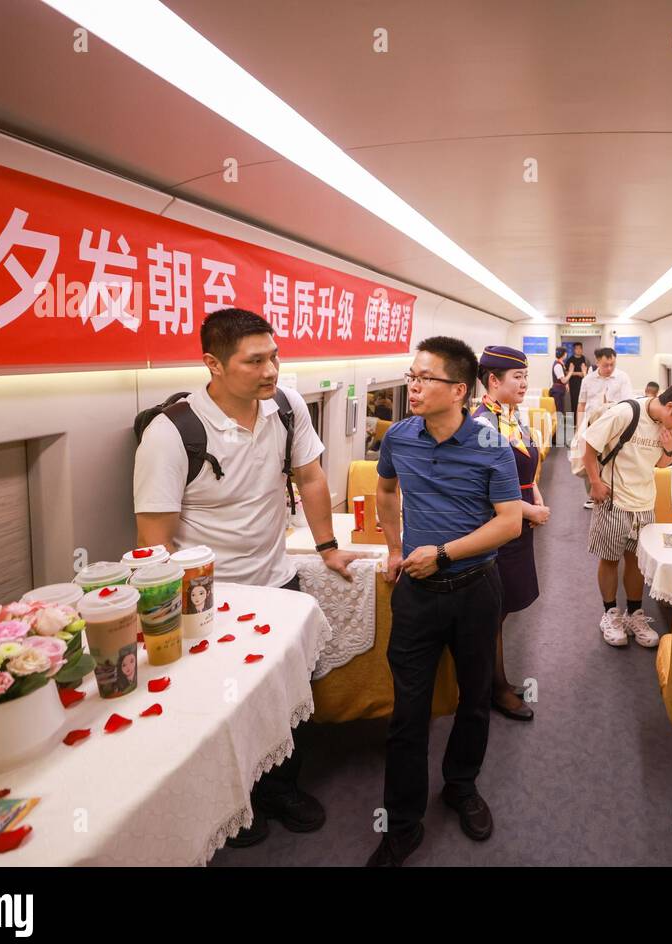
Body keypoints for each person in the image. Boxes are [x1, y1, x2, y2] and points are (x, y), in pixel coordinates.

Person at [133, 307, 354, 849]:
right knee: (219, 708)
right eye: (255, 361)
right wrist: (161, 618)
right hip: (208, 597)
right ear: (213, 363)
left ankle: (281, 788)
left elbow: (310, 475)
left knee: (289, 691)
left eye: (274, 355)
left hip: (278, 582)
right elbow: (153, 536)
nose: (271, 370)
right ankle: (233, 805)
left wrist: (326, 546)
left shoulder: (285, 405)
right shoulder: (171, 433)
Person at [367, 336, 524, 866]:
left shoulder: (490, 444)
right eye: (411, 375)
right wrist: (395, 547)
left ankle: (460, 786)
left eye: (425, 378)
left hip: (476, 590)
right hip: (416, 594)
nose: (412, 385)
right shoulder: (399, 437)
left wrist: (445, 553)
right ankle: (403, 824)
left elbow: (509, 520)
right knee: (407, 714)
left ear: (458, 389)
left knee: (474, 698)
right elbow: (384, 492)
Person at [582, 382, 672, 647]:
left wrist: (669, 448)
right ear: (670, 406)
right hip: (614, 500)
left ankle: (634, 614)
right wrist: (595, 482)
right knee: (609, 559)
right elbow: (590, 446)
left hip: (645, 503)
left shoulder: (667, 427)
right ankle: (610, 613)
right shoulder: (626, 413)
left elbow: (660, 465)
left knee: (636, 561)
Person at [473, 346, 549, 721]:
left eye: (525, 377)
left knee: (501, 609)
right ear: (493, 380)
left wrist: (534, 493)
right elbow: (484, 488)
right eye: (516, 377)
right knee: (493, 611)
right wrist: (529, 510)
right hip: (498, 526)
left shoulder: (510, 418)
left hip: (517, 520)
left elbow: (522, 465)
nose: (524, 384)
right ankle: (495, 689)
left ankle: (492, 681)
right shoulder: (483, 424)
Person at [576, 347, 635, 508]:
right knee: (588, 459)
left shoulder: (622, 378)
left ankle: (613, 494)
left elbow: (628, 403)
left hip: (614, 426)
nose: (609, 368)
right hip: (591, 424)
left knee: (611, 459)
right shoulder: (588, 380)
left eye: (612, 365)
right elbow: (581, 405)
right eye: (605, 365)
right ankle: (592, 494)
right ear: (597, 363)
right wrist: (577, 428)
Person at [564, 342, 590, 429]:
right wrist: (578, 373)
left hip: (584, 386)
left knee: (584, 403)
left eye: (580, 348)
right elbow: (567, 372)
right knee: (574, 403)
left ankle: (583, 422)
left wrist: (582, 373)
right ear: (574, 350)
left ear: (582, 349)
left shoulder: (585, 359)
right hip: (573, 385)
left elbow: (588, 372)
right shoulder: (570, 360)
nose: (578, 350)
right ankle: (575, 423)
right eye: (577, 348)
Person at [550, 347, 570, 438]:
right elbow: (563, 380)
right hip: (557, 392)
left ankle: (559, 435)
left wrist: (566, 385)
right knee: (559, 413)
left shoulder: (561, 364)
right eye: (566, 353)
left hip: (559, 392)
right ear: (564, 354)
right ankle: (557, 437)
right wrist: (571, 372)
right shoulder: (558, 365)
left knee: (560, 412)